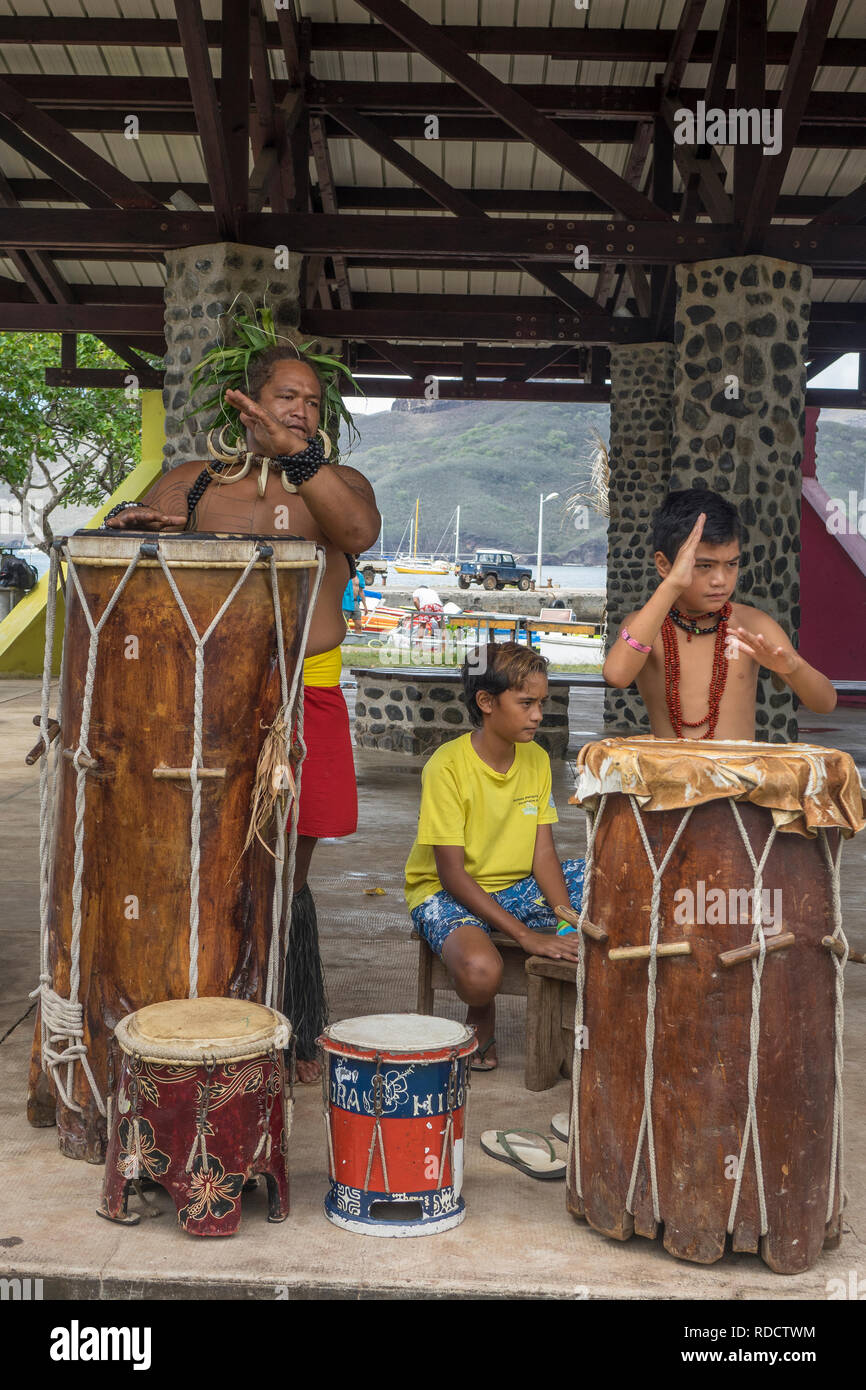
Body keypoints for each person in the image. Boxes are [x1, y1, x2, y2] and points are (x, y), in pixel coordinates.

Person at [104, 347, 381, 1081]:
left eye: (314, 402)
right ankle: (192, 1022)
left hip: (306, 693)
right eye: (287, 396)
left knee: (285, 866)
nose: (302, 409)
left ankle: (284, 1026)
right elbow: (135, 573)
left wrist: (300, 458)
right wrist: (132, 529)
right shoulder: (189, 486)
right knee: (208, 858)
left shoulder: (339, 486)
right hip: (206, 699)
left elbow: (356, 536)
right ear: (246, 404)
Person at [404, 642, 584, 1072]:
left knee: (611, 877)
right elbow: (451, 874)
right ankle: (480, 1016)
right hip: (446, 894)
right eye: (526, 703)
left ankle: (581, 1018)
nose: (538, 715)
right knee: (483, 973)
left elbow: (543, 852)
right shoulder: (446, 767)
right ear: (486, 702)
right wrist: (526, 936)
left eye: (542, 703)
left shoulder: (538, 759)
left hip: (516, 889)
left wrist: (564, 920)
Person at [603, 487, 836, 737]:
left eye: (731, 565)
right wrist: (672, 584)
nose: (720, 580)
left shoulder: (752, 624)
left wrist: (794, 667)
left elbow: (825, 704)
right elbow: (617, 675)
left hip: (740, 773)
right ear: (663, 564)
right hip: (668, 772)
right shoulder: (645, 626)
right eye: (704, 566)